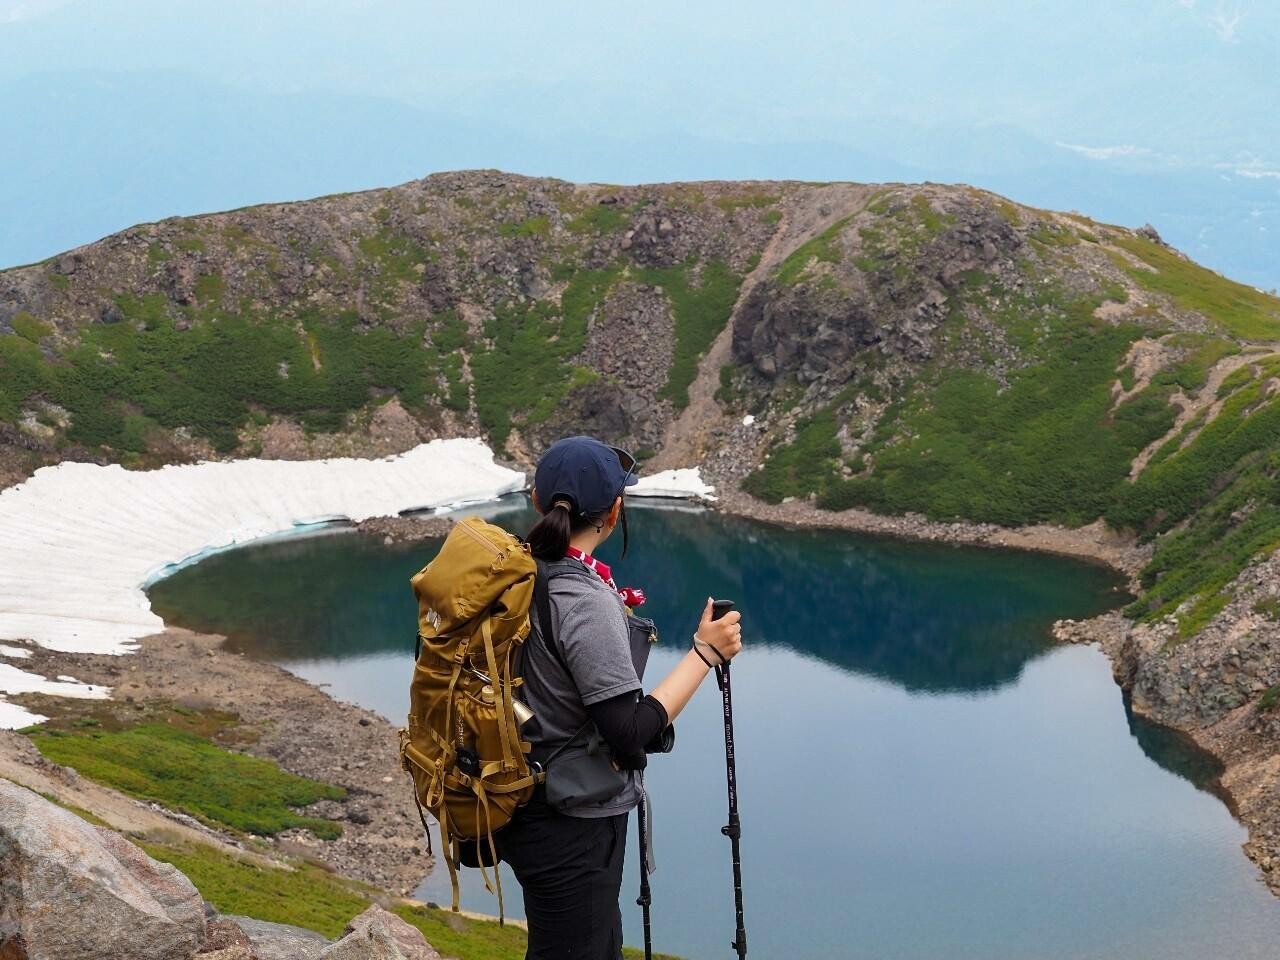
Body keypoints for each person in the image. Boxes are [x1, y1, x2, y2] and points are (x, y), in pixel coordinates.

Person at [496, 435, 743, 960]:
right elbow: (626, 729)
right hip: (570, 819)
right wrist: (704, 654)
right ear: (614, 511)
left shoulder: (514, 572)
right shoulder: (582, 598)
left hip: (524, 798)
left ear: (538, 502)